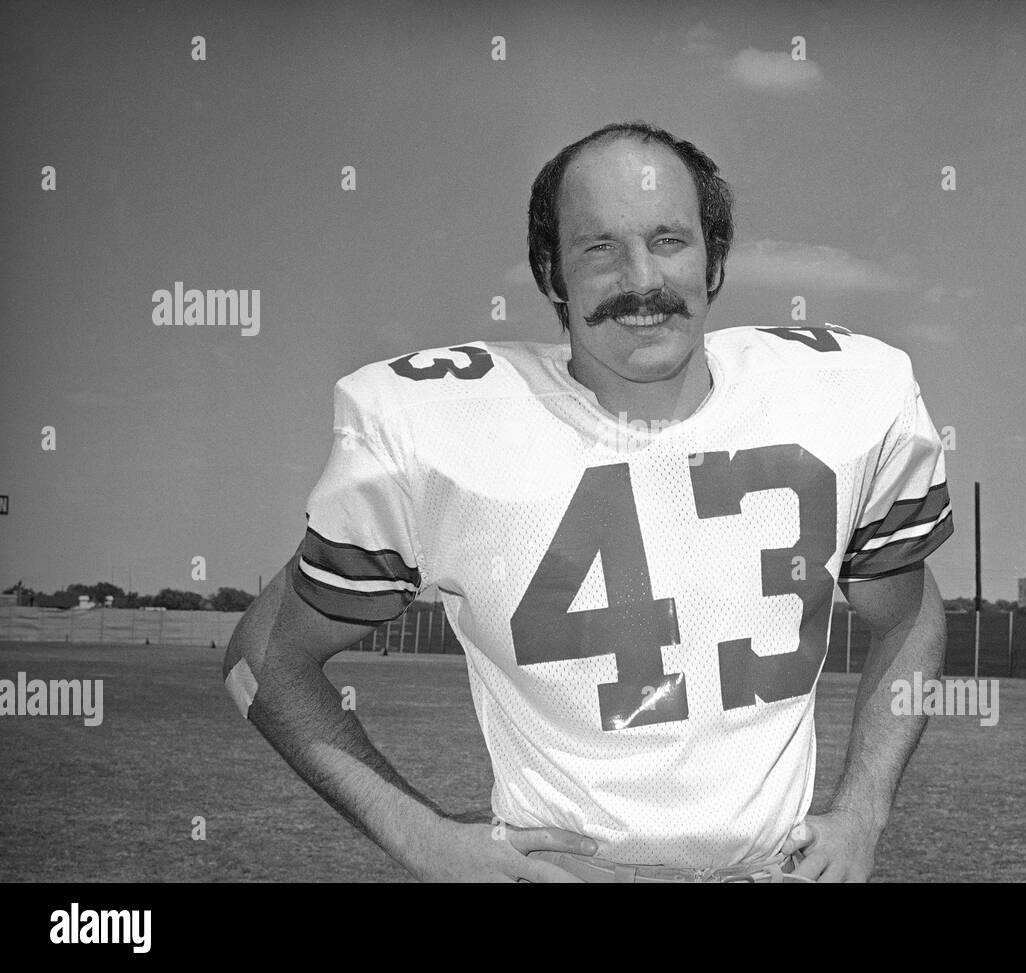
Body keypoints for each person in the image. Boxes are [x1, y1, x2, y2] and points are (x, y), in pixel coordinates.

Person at [222, 121, 953, 883]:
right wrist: (423, 837)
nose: (641, 279)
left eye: (669, 239)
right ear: (551, 274)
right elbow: (261, 659)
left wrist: (865, 809)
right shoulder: (441, 431)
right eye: (598, 247)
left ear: (715, 260)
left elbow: (908, 610)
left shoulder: (839, 399)